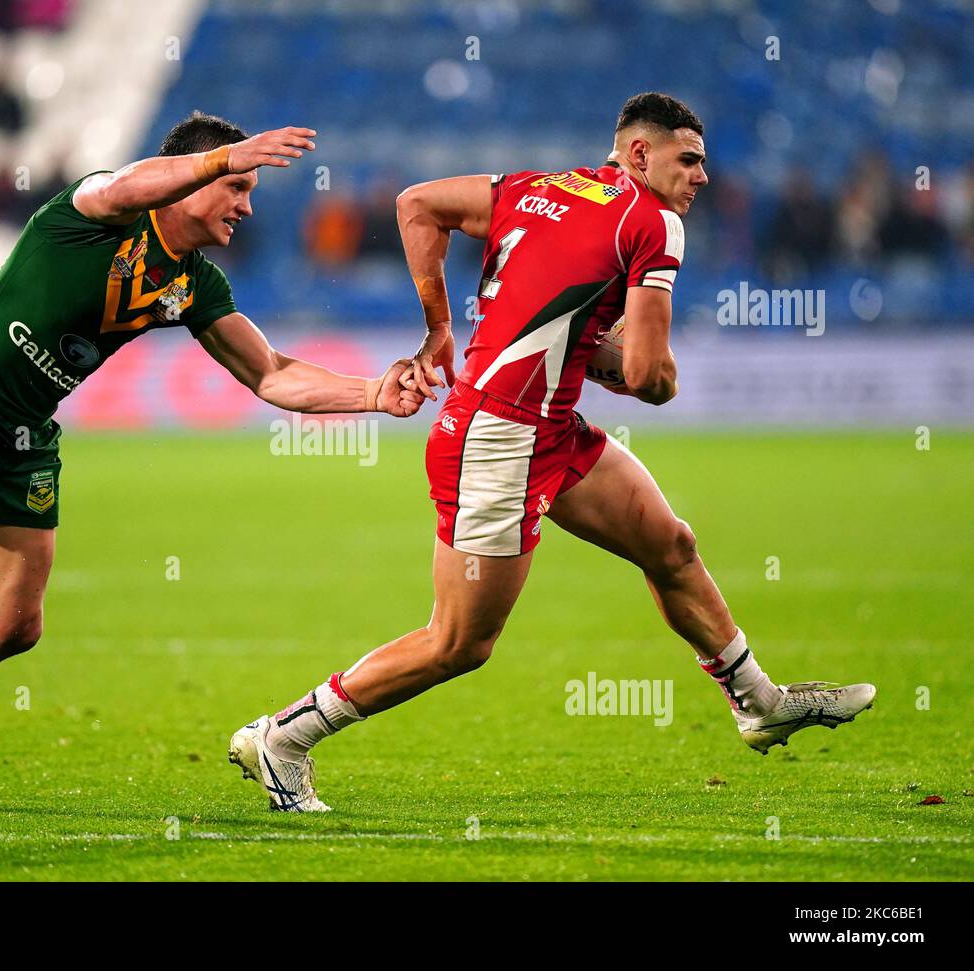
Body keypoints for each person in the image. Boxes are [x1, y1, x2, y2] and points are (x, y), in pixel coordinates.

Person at [0, 112, 425, 819]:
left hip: (26, 430)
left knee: (11, 626)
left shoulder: (195, 284)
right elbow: (126, 184)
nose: (245, 205)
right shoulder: (101, 209)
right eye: (237, 186)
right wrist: (227, 156)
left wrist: (372, 393)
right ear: (195, 175)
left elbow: (269, 374)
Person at [230, 93, 875, 812]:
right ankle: (283, 735)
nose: (700, 176)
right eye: (688, 160)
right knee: (458, 643)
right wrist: (632, 368)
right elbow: (649, 379)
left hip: (547, 427)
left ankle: (759, 702)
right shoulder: (652, 222)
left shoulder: (534, 188)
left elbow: (416, 204)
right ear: (639, 154)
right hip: (501, 437)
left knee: (670, 545)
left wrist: (439, 327)